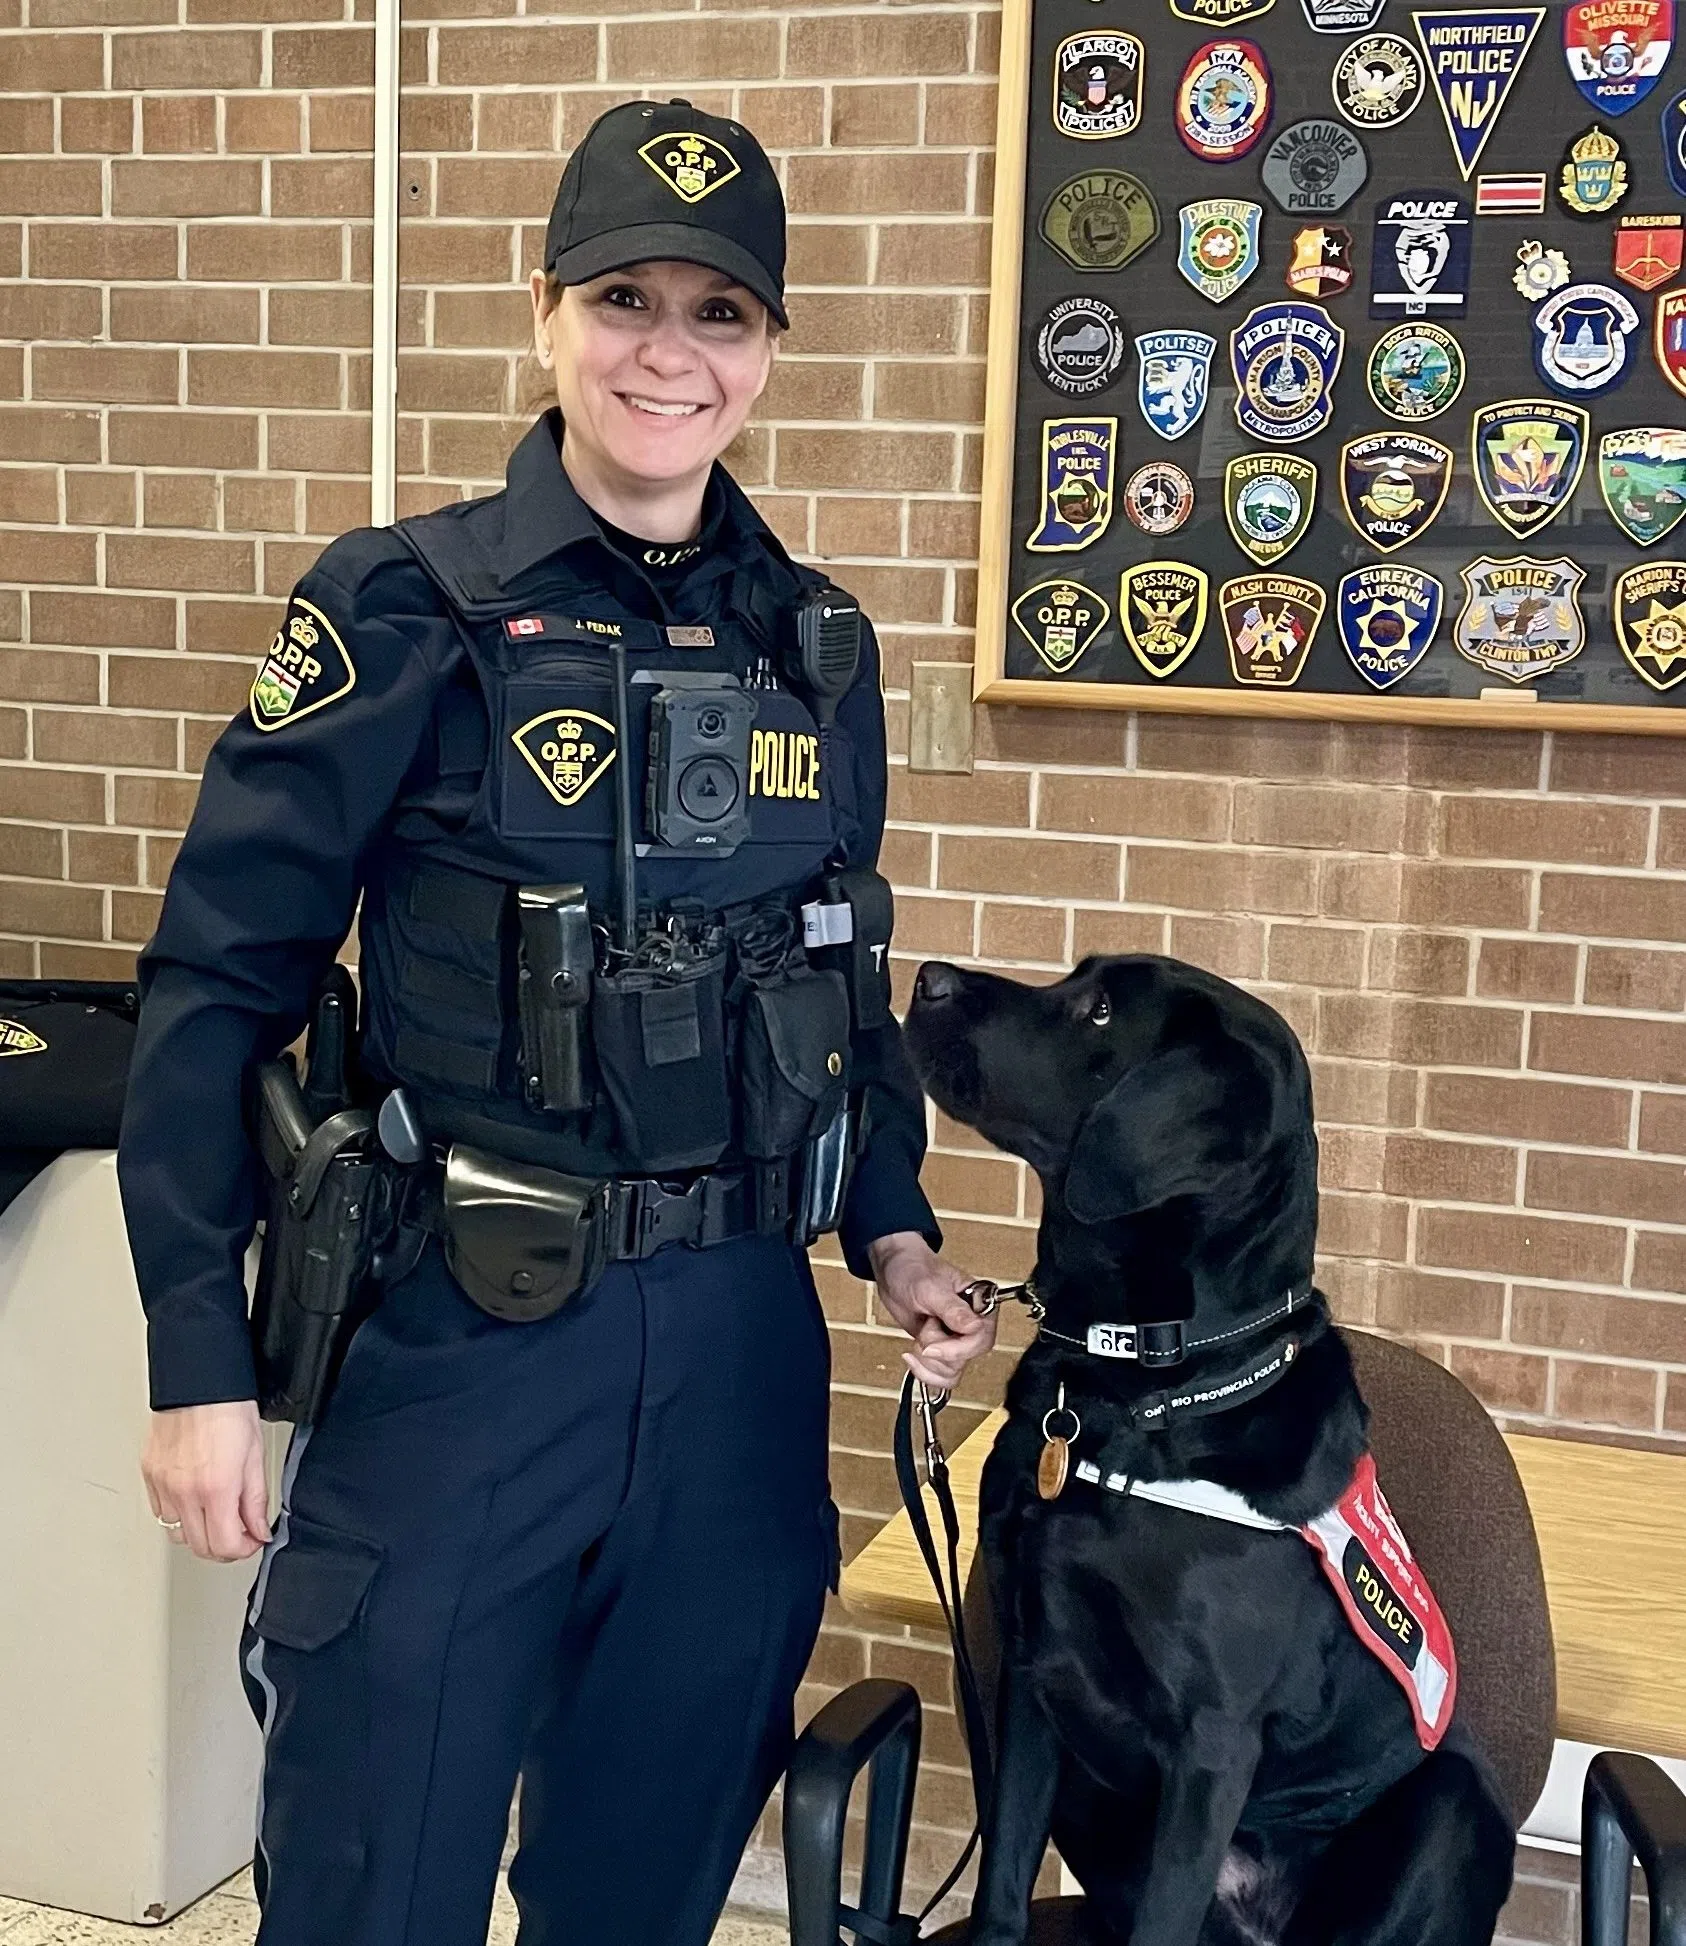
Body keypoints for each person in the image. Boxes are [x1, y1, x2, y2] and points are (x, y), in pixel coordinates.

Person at [116, 97, 997, 1946]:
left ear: (766, 349)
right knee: (376, 1880)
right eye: (623, 297)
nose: (667, 352)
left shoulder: (813, 645)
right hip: (465, 1348)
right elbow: (214, 992)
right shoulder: (398, 606)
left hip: (743, 1363)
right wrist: (202, 1355)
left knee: (643, 1884)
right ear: (546, 313)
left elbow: (840, 975)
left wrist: (893, 1225)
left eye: (719, 311)